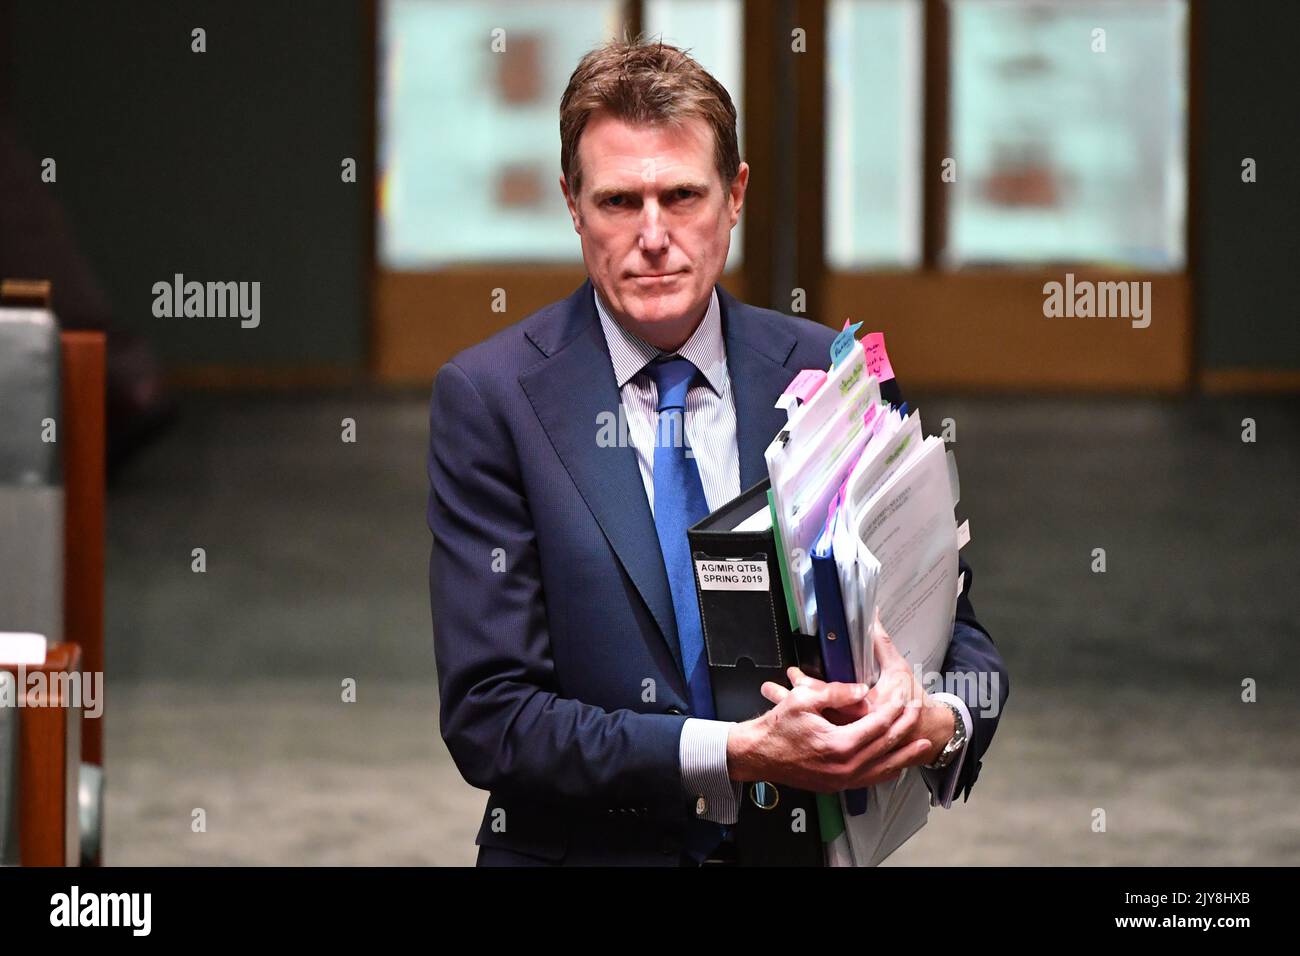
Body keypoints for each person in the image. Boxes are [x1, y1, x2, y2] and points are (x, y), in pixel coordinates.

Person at [427, 37, 1008, 867]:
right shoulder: (491, 399)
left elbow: (959, 637)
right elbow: (492, 718)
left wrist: (938, 721)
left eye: (682, 195)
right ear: (572, 203)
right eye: (620, 201)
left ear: (735, 196)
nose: (654, 235)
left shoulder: (831, 372)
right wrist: (732, 752)